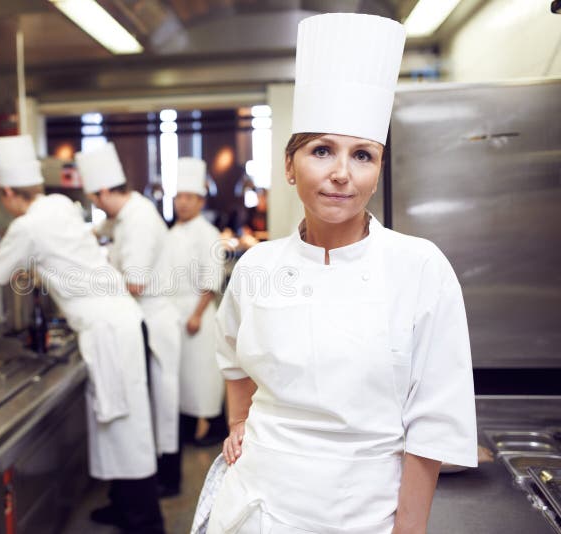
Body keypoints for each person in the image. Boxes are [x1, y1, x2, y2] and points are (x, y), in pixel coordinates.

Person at [204, 13, 477, 534]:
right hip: (254, 506)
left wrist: (410, 528)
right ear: (290, 166)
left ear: (377, 171)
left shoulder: (420, 267)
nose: (340, 173)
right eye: (321, 150)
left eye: (362, 156)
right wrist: (239, 422)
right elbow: (230, 357)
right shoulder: (258, 266)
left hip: (363, 512)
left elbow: (436, 423)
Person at [0, 135, 164, 534]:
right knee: (118, 430)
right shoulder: (58, 205)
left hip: (110, 331)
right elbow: (63, 254)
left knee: (129, 433)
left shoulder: (28, 225)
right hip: (118, 323)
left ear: (7, 192)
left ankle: (146, 524)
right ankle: (123, 508)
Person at [75, 142, 183, 499]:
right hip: (146, 319)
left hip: (154, 320)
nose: (95, 205)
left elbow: (134, 282)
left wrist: (94, 281)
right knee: (156, 408)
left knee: (161, 407)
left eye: (94, 197)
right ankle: (156, 479)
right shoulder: (124, 213)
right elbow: (94, 233)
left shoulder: (138, 219)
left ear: (105, 191)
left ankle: (167, 480)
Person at [167, 157, 227, 448]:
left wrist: (196, 314)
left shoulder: (208, 233)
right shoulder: (172, 231)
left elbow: (211, 280)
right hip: (175, 312)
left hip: (197, 316)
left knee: (203, 377)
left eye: (188, 197)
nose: (182, 203)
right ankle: (188, 429)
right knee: (183, 379)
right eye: (178, 197)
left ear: (201, 201)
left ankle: (216, 428)